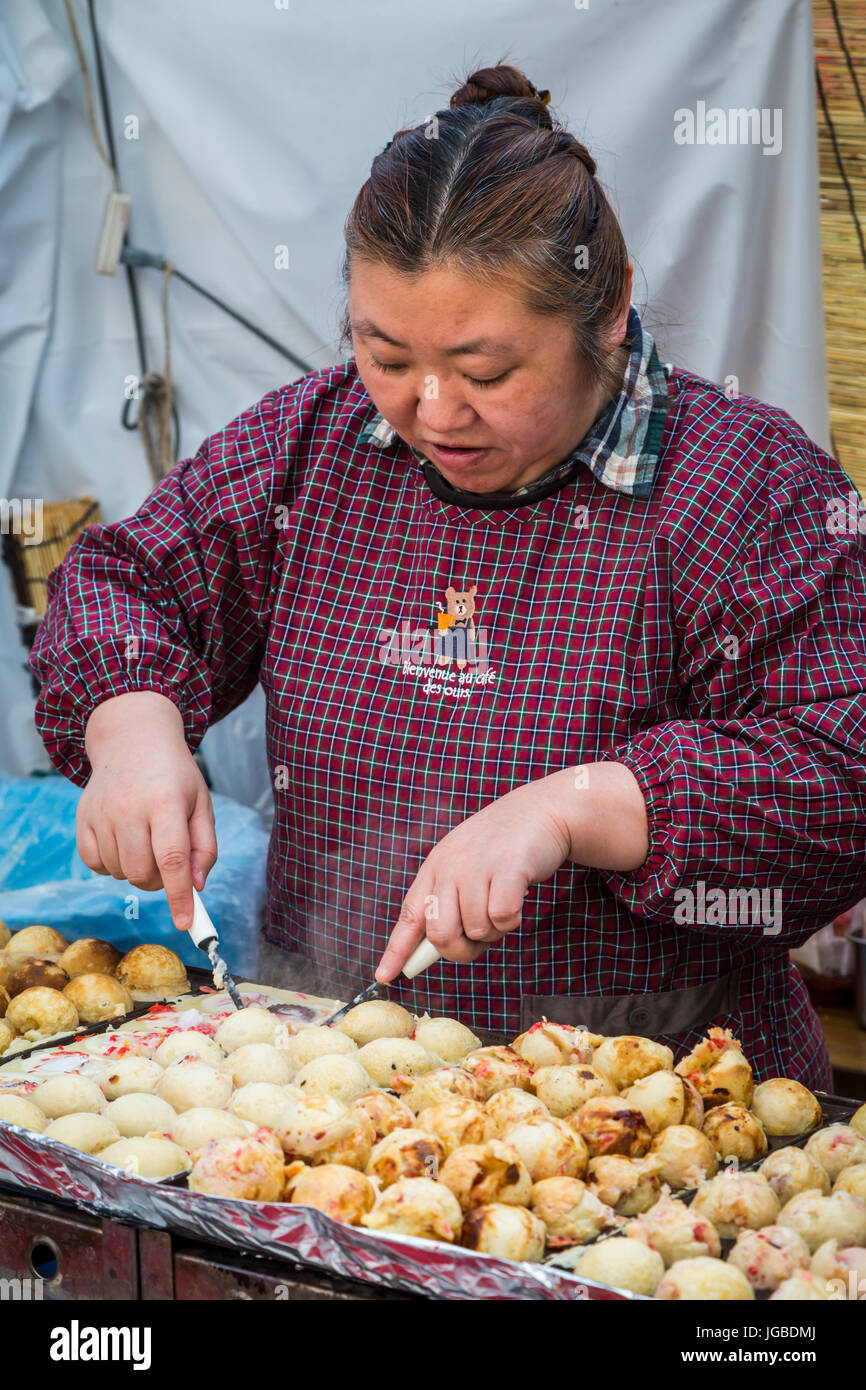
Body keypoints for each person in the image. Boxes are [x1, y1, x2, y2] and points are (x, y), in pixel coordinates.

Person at [30, 64, 866, 1086]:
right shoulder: (313, 445)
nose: (429, 412)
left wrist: (575, 809)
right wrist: (130, 728)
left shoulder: (743, 486)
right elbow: (130, 578)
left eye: (485, 373)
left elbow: (837, 774)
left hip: (653, 1097)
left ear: (607, 313)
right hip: (338, 1089)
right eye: (384, 355)